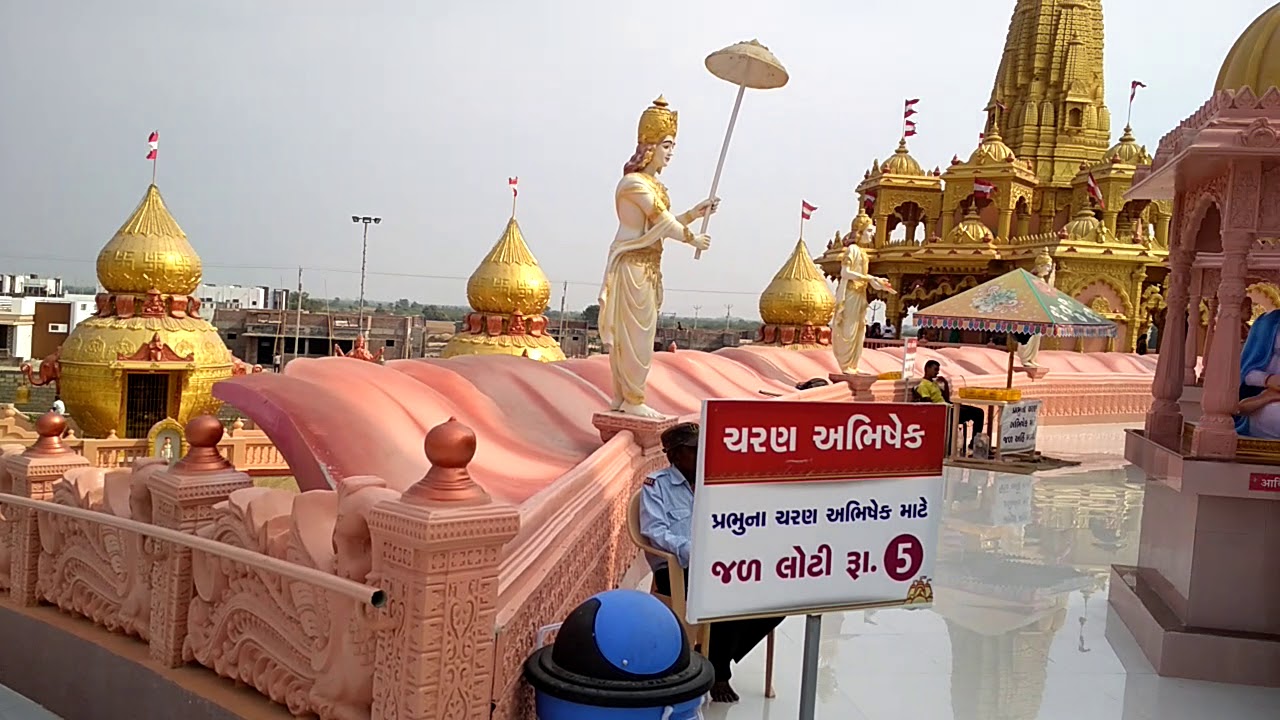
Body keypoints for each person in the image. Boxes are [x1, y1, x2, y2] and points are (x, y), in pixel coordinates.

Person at [639, 422, 782, 704]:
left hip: (716, 563)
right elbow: (655, 532)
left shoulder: (714, 482)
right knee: (724, 590)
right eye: (695, 451)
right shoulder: (657, 486)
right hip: (678, 567)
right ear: (676, 455)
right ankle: (718, 672)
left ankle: (713, 654)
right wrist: (696, 552)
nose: (703, 455)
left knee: (776, 595)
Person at [916, 360, 985, 443]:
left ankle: (975, 441)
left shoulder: (934, 383)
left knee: (979, 412)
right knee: (976, 414)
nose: (937, 372)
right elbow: (928, 404)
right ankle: (974, 443)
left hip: (948, 405)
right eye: (935, 370)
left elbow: (945, 398)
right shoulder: (923, 385)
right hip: (943, 411)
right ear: (928, 368)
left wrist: (945, 383)